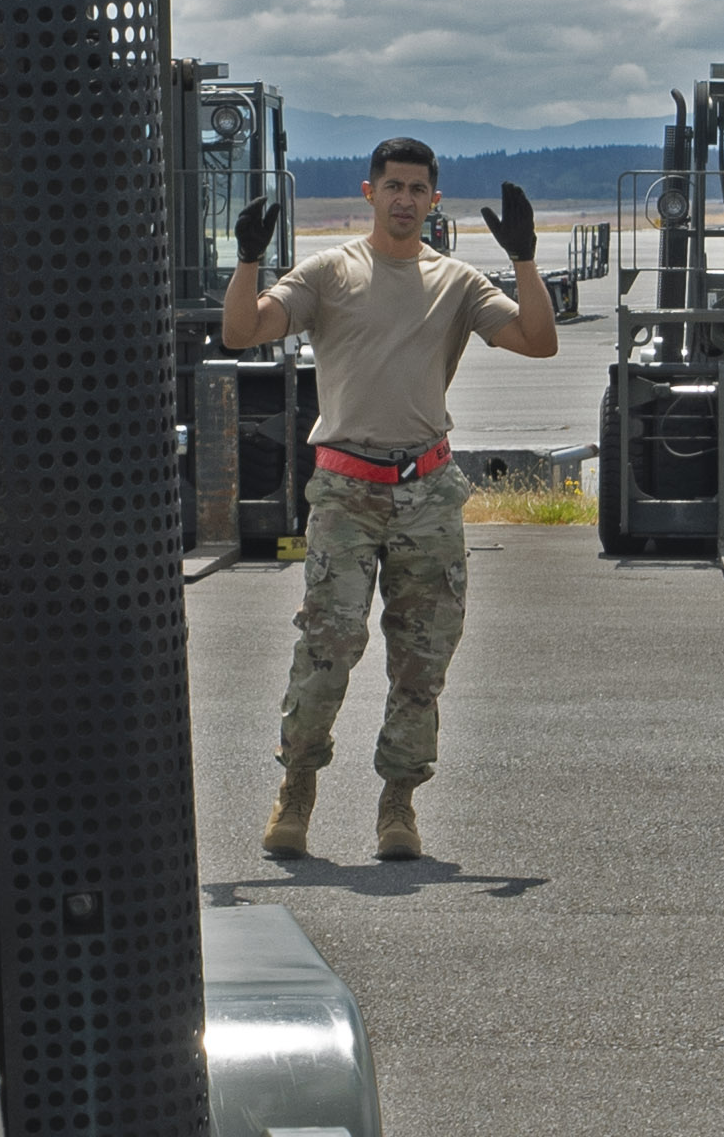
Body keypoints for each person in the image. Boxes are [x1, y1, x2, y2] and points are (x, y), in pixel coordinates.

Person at [217, 138, 557, 861]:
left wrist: (525, 261)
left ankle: (398, 804)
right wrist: (248, 259)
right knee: (327, 649)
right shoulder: (330, 273)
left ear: (434, 201)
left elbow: (537, 341)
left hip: (427, 489)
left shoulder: (456, 282)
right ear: (368, 193)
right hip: (346, 490)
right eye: (392, 186)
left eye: (417, 189)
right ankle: (298, 789)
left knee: (421, 659)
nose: (404, 199)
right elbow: (241, 331)